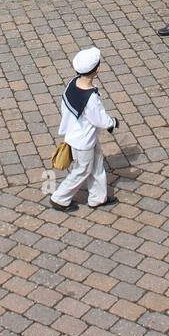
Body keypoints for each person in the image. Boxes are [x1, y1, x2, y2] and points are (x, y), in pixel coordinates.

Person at [49, 46, 118, 212]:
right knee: (82, 170)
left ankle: (98, 198)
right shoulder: (91, 97)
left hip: (79, 135)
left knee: (97, 165)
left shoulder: (72, 84)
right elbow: (99, 119)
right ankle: (60, 198)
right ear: (97, 70)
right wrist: (112, 122)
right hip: (83, 141)